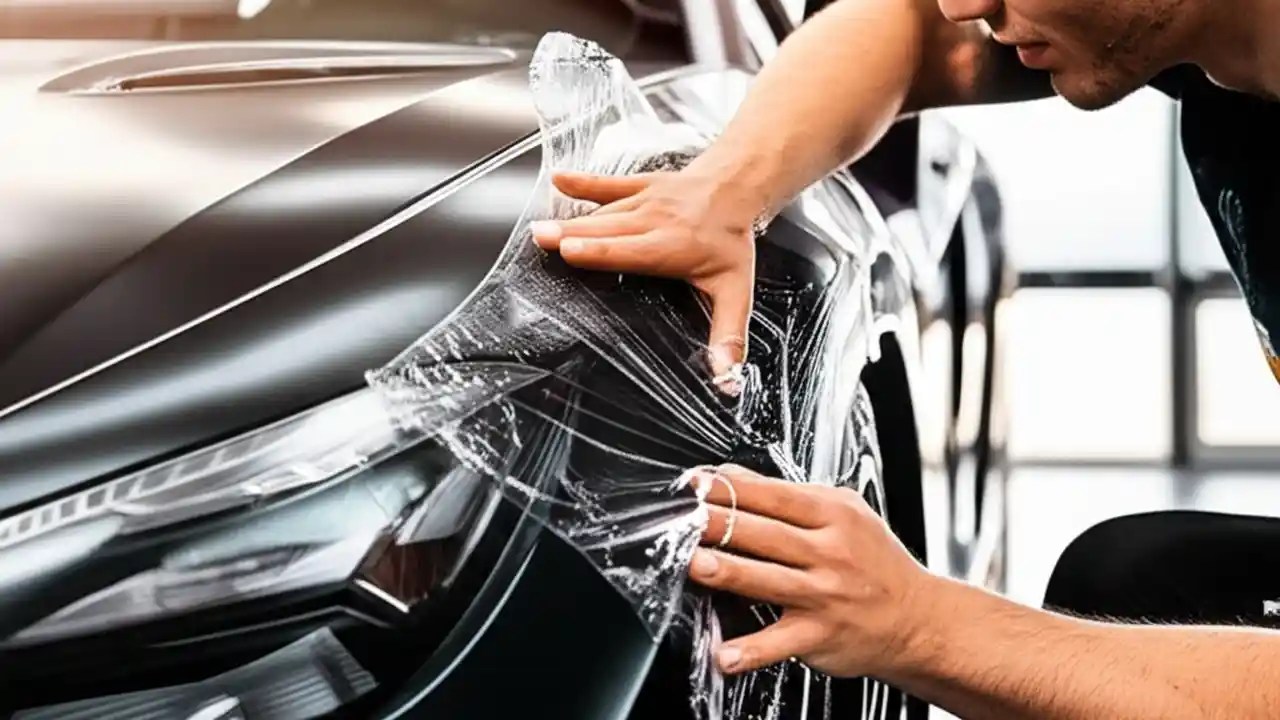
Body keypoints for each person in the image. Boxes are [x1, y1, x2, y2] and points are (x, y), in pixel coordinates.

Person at [529, 0, 1280, 716]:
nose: (960, 8)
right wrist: (728, 189)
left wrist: (924, 626)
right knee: (1134, 579)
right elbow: (907, 28)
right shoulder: (1211, 44)